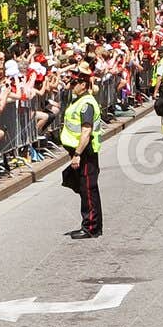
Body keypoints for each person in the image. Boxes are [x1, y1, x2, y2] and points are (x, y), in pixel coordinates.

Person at [60, 69, 103, 239]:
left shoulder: (86, 104)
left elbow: (86, 131)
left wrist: (77, 153)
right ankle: (94, 224)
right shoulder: (77, 100)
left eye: (74, 83)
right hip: (80, 151)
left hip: (85, 152)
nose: (71, 86)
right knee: (84, 187)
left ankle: (90, 226)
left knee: (88, 189)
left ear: (83, 85)